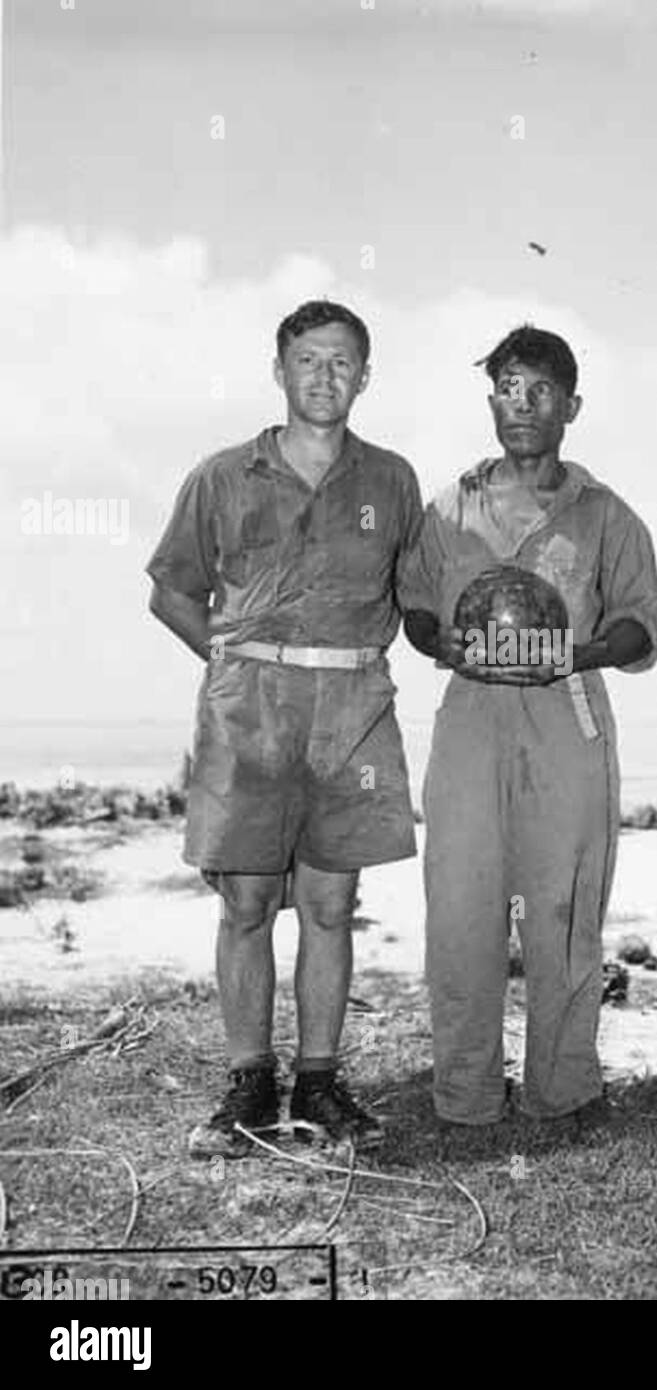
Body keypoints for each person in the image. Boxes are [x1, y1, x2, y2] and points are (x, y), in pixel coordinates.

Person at [147, 299, 422, 1157]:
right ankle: (247, 1084)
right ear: (279, 371)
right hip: (250, 710)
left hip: (352, 709)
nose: (325, 377)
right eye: (308, 361)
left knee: (334, 904)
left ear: (365, 377)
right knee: (248, 903)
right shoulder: (222, 474)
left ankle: (320, 1080)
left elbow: (416, 599)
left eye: (342, 362)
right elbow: (172, 590)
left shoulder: (392, 480)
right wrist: (234, 667)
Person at [400, 326, 657, 1127]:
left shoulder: (606, 515)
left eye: (542, 390)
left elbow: (642, 626)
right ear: (490, 403)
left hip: (568, 715)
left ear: (571, 407)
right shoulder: (448, 507)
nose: (524, 404)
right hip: (470, 720)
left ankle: (563, 1089)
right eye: (509, 388)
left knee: (565, 908)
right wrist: (436, 639)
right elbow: (412, 606)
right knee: (459, 906)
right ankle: (466, 1097)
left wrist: (573, 653)